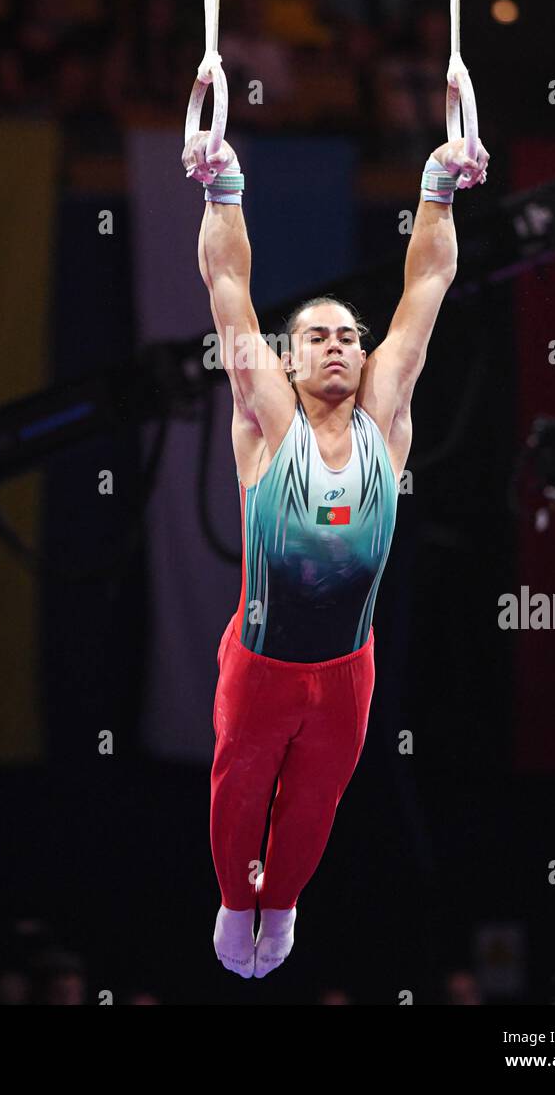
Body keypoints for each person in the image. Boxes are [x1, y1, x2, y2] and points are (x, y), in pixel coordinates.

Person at [183, 121, 489, 978]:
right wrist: (222, 187)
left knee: (315, 801)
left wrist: (437, 181)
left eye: (350, 337)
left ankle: (278, 905)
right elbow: (228, 281)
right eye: (318, 336)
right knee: (240, 794)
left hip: (346, 667)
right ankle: (236, 899)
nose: (340, 347)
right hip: (262, 661)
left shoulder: (385, 417)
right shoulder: (265, 415)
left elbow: (427, 277)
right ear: (286, 356)